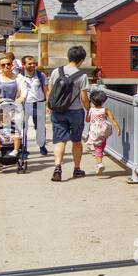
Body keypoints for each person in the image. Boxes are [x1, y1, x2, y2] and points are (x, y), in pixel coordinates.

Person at [47, 45, 91, 182]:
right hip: (75, 112)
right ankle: (77, 169)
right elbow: (83, 98)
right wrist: (89, 109)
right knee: (77, 141)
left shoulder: (56, 71)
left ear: (69, 56)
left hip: (58, 110)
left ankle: (57, 167)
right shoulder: (82, 76)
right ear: (82, 60)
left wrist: (50, 106)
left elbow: (50, 90)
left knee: (59, 140)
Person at [0, 52, 25, 158]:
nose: (6, 66)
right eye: (3, 65)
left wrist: (19, 100)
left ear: (12, 65)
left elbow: (23, 93)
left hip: (15, 108)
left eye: (8, 64)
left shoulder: (19, 78)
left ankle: (16, 150)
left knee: (16, 129)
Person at [84, 90, 120, 176]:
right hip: (103, 132)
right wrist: (118, 128)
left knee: (98, 148)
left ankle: (99, 164)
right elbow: (112, 120)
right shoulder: (105, 110)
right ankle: (100, 157)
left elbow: (87, 120)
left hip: (94, 132)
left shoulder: (91, 110)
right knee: (102, 145)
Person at [19, 55, 49, 155]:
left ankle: (42, 145)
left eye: (34, 63)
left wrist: (48, 104)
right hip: (24, 104)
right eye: (30, 63)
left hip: (38, 104)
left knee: (40, 127)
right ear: (23, 65)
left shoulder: (41, 75)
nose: (33, 65)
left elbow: (46, 90)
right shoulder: (19, 76)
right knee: (23, 127)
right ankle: (23, 148)